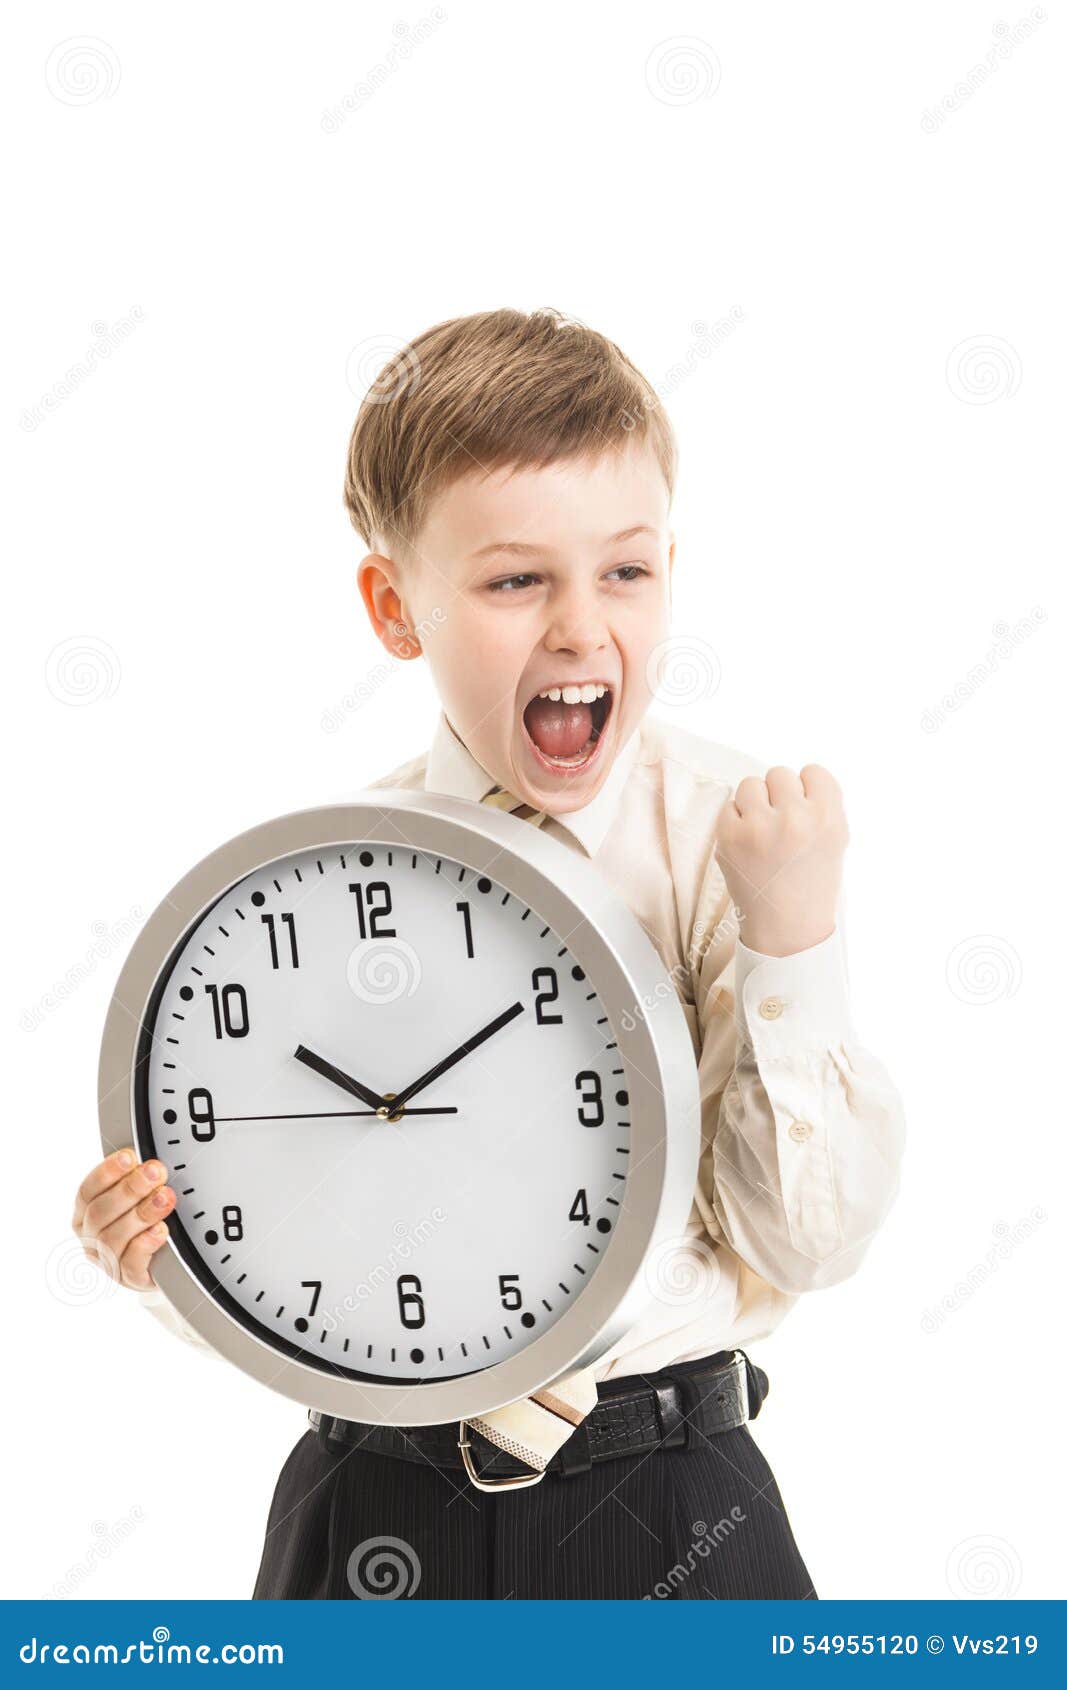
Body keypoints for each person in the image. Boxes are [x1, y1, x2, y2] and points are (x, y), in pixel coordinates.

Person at [71, 306, 906, 1600]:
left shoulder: (732, 843)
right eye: (519, 580)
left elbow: (800, 1244)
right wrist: (163, 1256)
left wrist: (793, 942)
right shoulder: (331, 893)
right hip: (375, 1495)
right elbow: (317, 1264)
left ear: (671, 567)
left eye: (625, 572)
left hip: (676, 1492)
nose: (580, 627)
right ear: (396, 606)